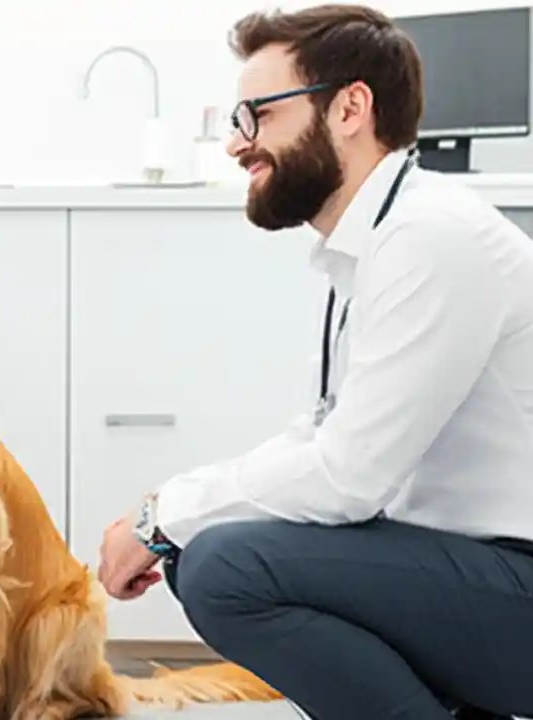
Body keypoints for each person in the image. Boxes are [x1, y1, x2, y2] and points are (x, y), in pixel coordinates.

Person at [95, 5, 533, 720]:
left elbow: (349, 477)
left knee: (224, 566)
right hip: (479, 574)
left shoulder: (432, 239)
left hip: (518, 585)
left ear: (350, 108)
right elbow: (323, 436)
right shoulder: (376, 244)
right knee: (205, 548)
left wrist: (161, 516)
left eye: (258, 115)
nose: (240, 144)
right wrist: (170, 515)